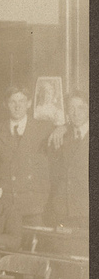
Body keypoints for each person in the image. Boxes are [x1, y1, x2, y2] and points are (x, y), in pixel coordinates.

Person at [0, 86, 53, 226]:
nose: (17, 106)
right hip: (7, 204)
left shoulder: (44, 129)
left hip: (34, 206)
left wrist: (63, 128)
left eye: (22, 101)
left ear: (29, 103)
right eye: (13, 102)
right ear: (6, 105)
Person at [49, 90, 88, 228]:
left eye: (80, 108)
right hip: (63, 211)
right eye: (71, 108)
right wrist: (62, 127)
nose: (76, 113)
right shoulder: (61, 135)